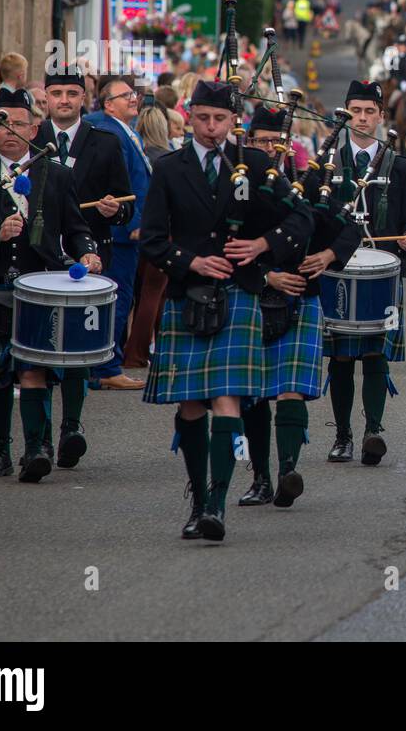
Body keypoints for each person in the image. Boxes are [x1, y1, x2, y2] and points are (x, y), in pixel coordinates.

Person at [139, 78, 313, 541]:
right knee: (192, 404)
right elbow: (153, 238)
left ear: (234, 121)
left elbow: (301, 218)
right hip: (188, 295)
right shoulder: (170, 170)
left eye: (220, 120)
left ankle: (216, 504)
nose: (211, 128)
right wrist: (191, 261)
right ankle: (196, 501)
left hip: (239, 293)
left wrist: (262, 245)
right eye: (202, 119)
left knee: (227, 399)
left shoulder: (254, 165)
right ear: (189, 117)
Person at [0, 88, 102, 482]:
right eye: (1, 122)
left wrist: (88, 253)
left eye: (18, 123)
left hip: (41, 288)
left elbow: (76, 228)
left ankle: (37, 448)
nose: (9, 131)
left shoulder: (56, 173)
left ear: (34, 128)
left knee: (32, 369)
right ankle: (0, 451)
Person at [238, 105, 361, 508]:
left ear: (288, 145)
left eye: (277, 141)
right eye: (261, 141)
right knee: (253, 395)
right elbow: (221, 243)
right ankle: (259, 478)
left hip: (300, 299)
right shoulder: (236, 186)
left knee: (290, 391)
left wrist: (327, 255)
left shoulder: (311, 184)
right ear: (248, 142)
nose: (269, 148)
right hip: (252, 295)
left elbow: (350, 228)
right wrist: (266, 275)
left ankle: (288, 470)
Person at [34, 67, 135, 459]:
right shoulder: (33, 138)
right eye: (56, 92)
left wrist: (114, 211)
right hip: (37, 259)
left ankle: (71, 425)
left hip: (88, 262)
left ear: (84, 99)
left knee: (76, 348)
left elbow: (126, 205)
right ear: (46, 97)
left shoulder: (105, 143)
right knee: (36, 352)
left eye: (72, 93)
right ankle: (38, 440)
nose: (64, 100)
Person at [325, 80, 406, 467]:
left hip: (384, 272)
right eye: (355, 112)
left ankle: (373, 431)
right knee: (342, 358)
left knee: (374, 353)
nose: (362, 119)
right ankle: (343, 435)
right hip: (338, 272)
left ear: (382, 116)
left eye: (369, 112)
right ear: (345, 115)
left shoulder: (400, 165)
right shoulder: (328, 161)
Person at [84, 79, 152, 389]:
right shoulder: (108, 129)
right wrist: (134, 221)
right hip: (121, 230)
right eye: (126, 96)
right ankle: (107, 368)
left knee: (117, 297)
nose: (133, 99)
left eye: (133, 94)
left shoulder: (125, 128)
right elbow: (120, 182)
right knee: (117, 297)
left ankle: (102, 366)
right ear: (108, 104)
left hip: (127, 227)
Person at [122, 104, 173, 370]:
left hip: (139, 230)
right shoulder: (168, 158)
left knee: (140, 295)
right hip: (161, 233)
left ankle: (136, 350)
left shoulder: (139, 154)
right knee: (155, 295)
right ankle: (139, 353)